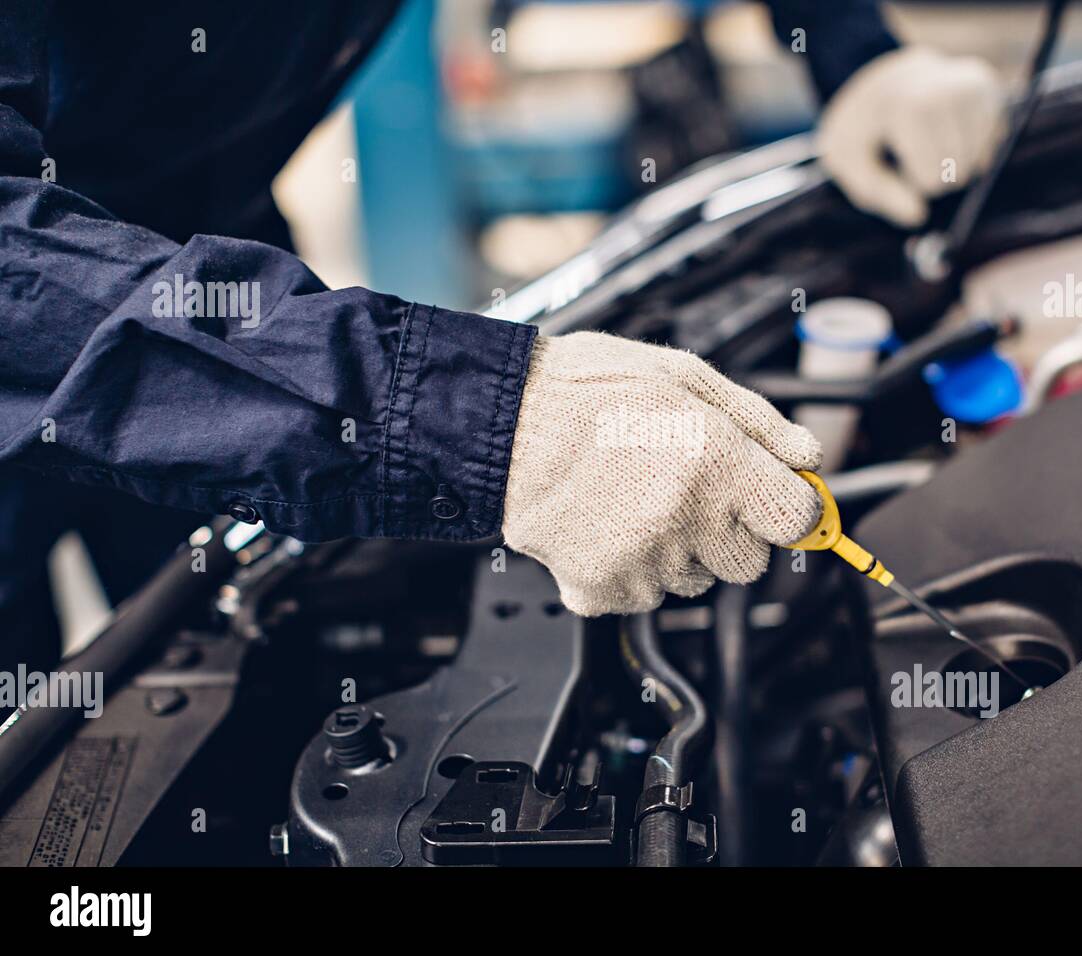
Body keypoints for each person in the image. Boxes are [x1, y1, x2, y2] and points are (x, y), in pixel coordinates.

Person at [0, 0, 1003, 658]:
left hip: (213, 273)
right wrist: (471, 419)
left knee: (210, 686)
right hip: (40, 311)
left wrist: (850, 49)